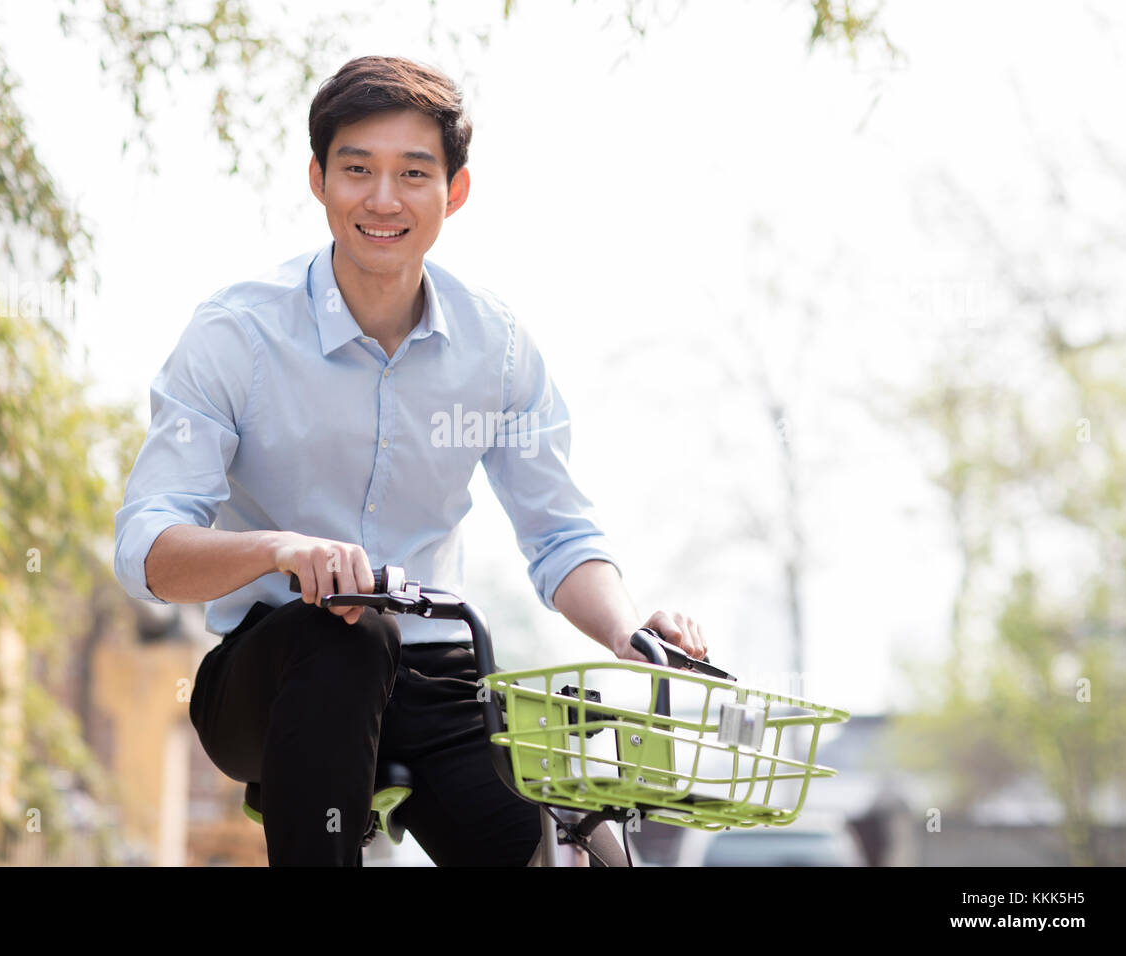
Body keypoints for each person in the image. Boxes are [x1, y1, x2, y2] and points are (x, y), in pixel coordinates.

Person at [113, 54, 708, 866]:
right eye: (357, 169)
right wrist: (282, 551)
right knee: (345, 640)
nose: (383, 199)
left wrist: (631, 630)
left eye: (413, 173)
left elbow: (561, 534)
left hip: (437, 684)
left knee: (539, 843)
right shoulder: (235, 336)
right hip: (273, 675)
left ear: (454, 192)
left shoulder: (495, 349)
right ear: (319, 180)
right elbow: (148, 551)